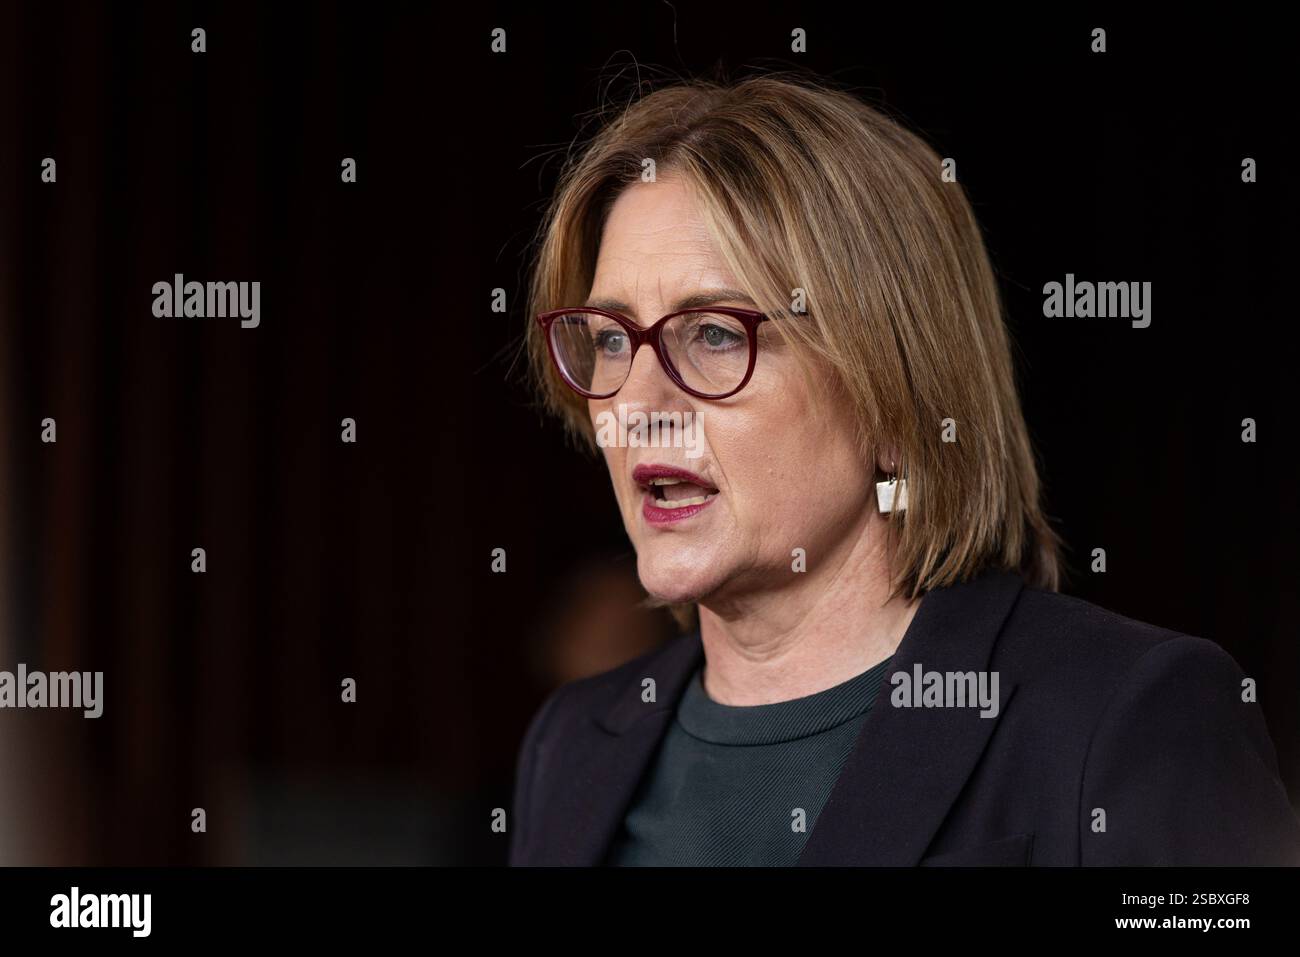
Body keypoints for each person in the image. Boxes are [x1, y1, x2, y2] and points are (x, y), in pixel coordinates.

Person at [509, 70, 1300, 866]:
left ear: (892, 390)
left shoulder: (1129, 718)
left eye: (713, 333)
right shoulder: (572, 743)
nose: (638, 401)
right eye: (611, 338)